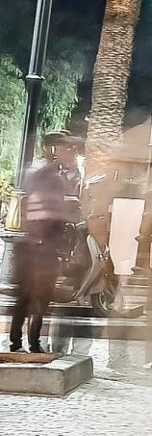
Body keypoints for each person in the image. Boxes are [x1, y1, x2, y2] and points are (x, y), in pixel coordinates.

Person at [8, 131, 82, 353]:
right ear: (52, 149)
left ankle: (19, 342)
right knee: (37, 298)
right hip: (41, 249)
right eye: (65, 147)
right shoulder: (49, 176)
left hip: (33, 247)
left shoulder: (38, 174)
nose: (70, 152)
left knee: (27, 298)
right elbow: (49, 215)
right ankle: (31, 344)